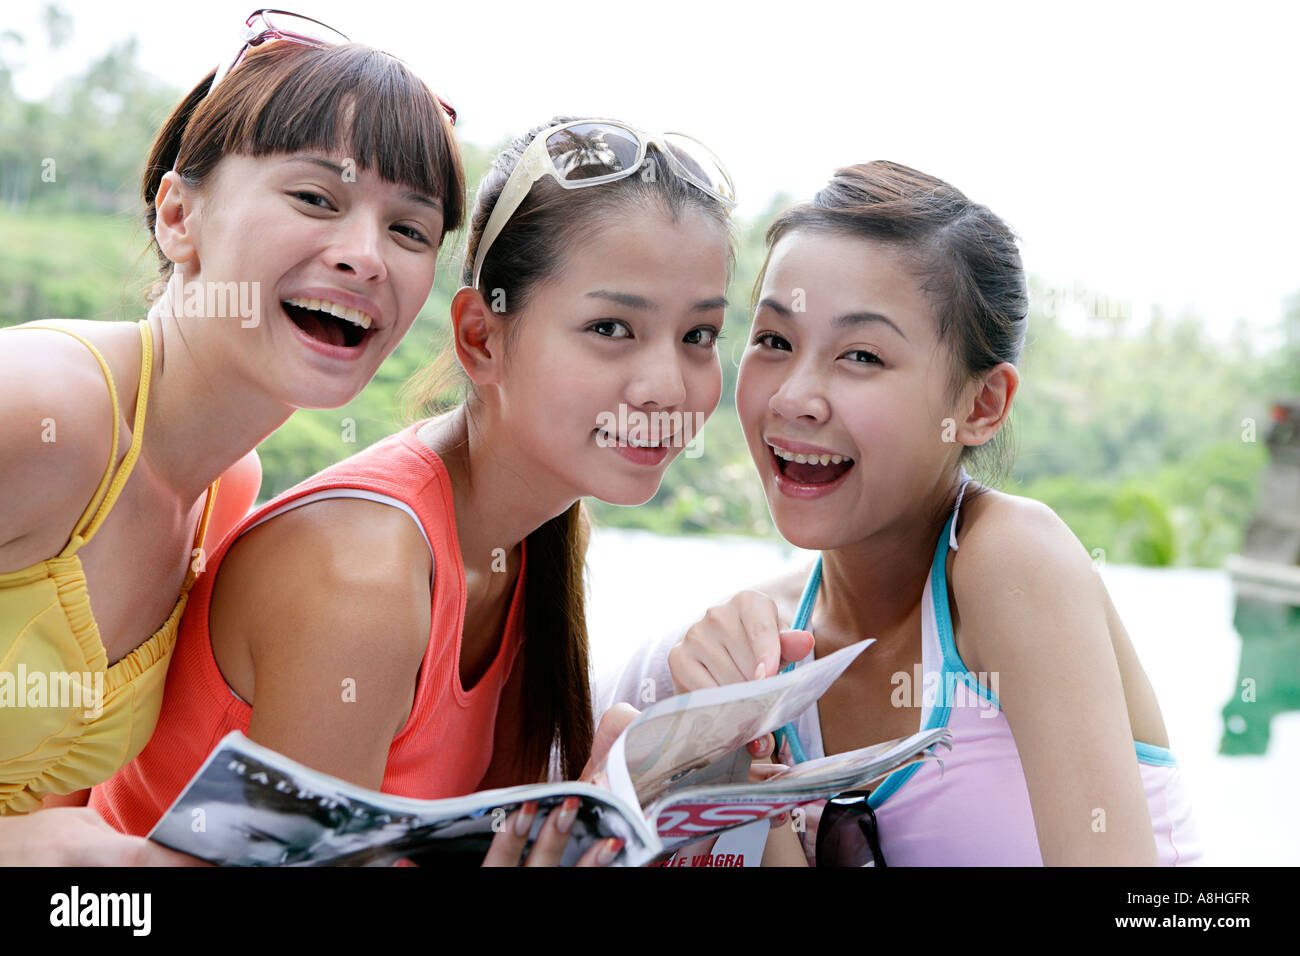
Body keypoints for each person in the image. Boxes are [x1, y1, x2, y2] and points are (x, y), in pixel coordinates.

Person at [91, 117, 738, 866]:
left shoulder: (530, 539)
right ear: (480, 339)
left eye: (699, 336)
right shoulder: (359, 575)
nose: (667, 386)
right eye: (611, 327)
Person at [599, 161, 1202, 866]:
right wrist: (728, 775)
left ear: (980, 406)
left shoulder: (1011, 561)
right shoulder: (753, 649)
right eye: (774, 341)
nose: (794, 398)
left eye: (861, 355)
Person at [0, 12, 464, 865]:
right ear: (178, 216)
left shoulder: (225, 489)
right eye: (316, 198)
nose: (366, 256)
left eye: (409, 230)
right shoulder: (40, 410)